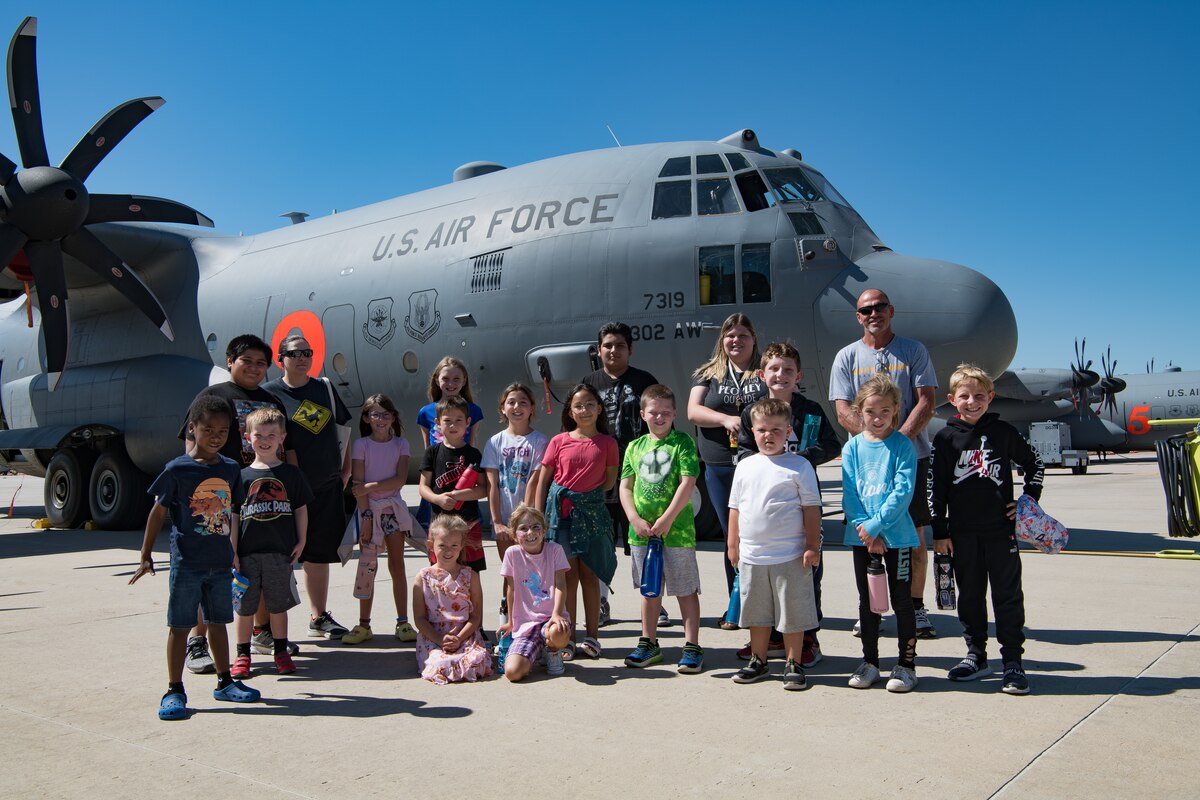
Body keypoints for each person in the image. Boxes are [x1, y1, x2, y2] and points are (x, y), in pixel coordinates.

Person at [130, 395, 260, 719]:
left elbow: (232, 513)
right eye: (208, 429)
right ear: (192, 428)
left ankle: (225, 682)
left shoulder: (231, 469)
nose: (216, 436)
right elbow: (157, 512)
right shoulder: (177, 469)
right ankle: (174, 689)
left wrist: (235, 551)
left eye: (223, 431)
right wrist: (145, 555)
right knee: (180, 625)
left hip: (219, 563)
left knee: (219, 623)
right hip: (187, 563)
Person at [829, 288, 939, 639]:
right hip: (864, 463)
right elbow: (843, 408)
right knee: (865, 534)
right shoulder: (846, 357)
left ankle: (916, 606)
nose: (873, 314)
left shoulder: (913, 351)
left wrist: (898, 439)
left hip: (910, 455)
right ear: (858, 317)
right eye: (865, 310)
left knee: (915, 535)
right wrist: (871, 440)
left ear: (891, 310)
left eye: (879, 307)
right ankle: (870, 607)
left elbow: (926, 400)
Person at [178, 334, 290, 673]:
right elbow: (190, 443)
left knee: (254, 567)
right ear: (230, 361)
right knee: (209, 570)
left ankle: (262, 631)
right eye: (247, 361)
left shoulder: (271, 401)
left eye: (261, 363)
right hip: (217, 496)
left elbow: (285, 450)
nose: (255, 368)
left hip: (260, 500)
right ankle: (197, 642)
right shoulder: (212, 396)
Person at [931, 364, 1045, 695]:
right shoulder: (945, 438)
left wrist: (1027, 501)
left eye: (979, 396)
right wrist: (941, 532)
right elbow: (935, 488)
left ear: (990, 397)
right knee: (970, 596)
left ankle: (1013, 662)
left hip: (1001, 532)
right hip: (962, 534)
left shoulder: (1004, 433)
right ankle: (976, 656)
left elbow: (1035, 463)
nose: (972, 401)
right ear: (952, 399)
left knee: (1008, 596)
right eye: (964, 396)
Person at [735, 342, 840, 668]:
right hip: (765, 507)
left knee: (806, 574)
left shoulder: (810, 410)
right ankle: (770, 639)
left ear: (799, 376)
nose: (781, 375)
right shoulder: (752, 412)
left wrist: (799, 460)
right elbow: (741, 451)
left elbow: (831, 444)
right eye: (775, 369)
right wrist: (768, 464)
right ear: (763, 375)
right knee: (765, 582)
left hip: (801, 503)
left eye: (788, 370)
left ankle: (808, 637)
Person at [262, 334, 352, 643]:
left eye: (307, 352)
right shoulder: (270, 394)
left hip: (326, 487)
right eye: (294, 353)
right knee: (278, 556)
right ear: (280, 359)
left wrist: (346, 471)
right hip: (286, 490)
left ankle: (318, 617)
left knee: (318, 555)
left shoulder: (324, 388)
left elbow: (343, 429)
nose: (302, 357)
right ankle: (269, 627)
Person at [727, 398, 822, 691]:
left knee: (792, 612)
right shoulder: (745, 466)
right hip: (753, 556)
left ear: (789, 431)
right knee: (758, 613)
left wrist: (811, 546)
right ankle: (759, 659)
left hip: (790, 555)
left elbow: (811, 509)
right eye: (762, 429)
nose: (768, 436)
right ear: (752, 431)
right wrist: (733, 545)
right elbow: (735, 508)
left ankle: (794, 663)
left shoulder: (799, 466)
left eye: (776, 430)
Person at [841, 375, 921, 693]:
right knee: (869, 602)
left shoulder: (902, 445)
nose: (877, 418)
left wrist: (876, 526)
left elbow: (903, 491)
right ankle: (870, 662)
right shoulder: (852, 448)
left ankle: (906, 665)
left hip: (896, 537)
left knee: (903, 601)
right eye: (871, 411)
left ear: (896, 410)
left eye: (885, 412)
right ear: (860, 411)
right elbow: (850, 493)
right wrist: (864, 528)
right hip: (861, 538)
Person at [686, 313, 766, 627]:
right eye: (730, 335)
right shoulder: (709, 373)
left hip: (758, 463)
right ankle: (737, 605)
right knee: (731, 534)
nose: (736, 341)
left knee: (756, 532)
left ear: (753, 338)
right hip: (720, 465)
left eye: (743, 335)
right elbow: (694, 411)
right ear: (722, 339)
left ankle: (760, 604)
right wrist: (725, 419)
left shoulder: (763, 371)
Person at [618, 384, 703, 673]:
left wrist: (667, 518)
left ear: (675, 413)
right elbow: (625, 487)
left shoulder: (683, 443)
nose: (660, 417)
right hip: (642, 535)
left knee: (685, 589)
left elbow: (687, 482)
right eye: (654, 412)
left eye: (666, 412)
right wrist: (633, 519)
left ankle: (691, 646)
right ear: (643, 414)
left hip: (676, 533)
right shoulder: (634, 447)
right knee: (649, 591)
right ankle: (649, 642)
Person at [581, 321, 660, 626]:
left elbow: (660, 426)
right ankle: (601, 602)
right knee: (600, 542)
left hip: (638, 477)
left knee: (642, 540)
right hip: (599, 477)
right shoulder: (588, 383)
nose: (614, 350)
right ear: (599, 350)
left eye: (620, 345)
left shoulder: (645, 381)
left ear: (631, 349)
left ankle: (651, 601)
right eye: (608, 345)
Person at [535, 383, 619, 660]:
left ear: (600, 408)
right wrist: (538, 515)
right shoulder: (559, 441)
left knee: (590, 575)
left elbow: (609, 482)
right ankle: (568, 637)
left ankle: (592, 636)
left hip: (592, 516)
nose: (584, 410)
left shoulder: (608, 443)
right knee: (567, 577)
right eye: (578, 405)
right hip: (561, 518)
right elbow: (543, 480)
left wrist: (586, 496)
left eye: (590, 404)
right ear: (570, 411)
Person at [230, 408, 311, 678]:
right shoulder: (240, 477)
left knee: (278, 606)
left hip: (281, 552)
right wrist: (232, 551)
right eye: (258, 435)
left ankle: (280, 651)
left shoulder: (292, 474)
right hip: (247, 553)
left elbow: (300, 509)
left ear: (282, 438)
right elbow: (234, 517)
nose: (265, 440)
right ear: (247, 438)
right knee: (245, 607)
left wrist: (302, 540)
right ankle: (242, 654)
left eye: (271, 435)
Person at [343, 394, 418, 645]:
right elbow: (357, 485)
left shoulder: (401, 444)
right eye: (375, 414)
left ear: (393, 417)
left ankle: (403, 621)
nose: (381, 419)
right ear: (366, 418)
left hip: (392, 510)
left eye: (386, 414)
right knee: (367, 567)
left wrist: (370, 486)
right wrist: (365, 516)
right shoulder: (361, 445)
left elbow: (399, 479)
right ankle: (364, 625)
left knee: (397, 566)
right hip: (369, 512)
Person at [482, 384, 549, 625]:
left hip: (527, 524)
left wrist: (525, 524)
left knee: (531, 574)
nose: (517, 407)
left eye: (523, 402)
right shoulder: (494, 442)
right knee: (510, 573)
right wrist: (498, 522)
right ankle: (507, 621)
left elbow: (534, 482)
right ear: (502, 408)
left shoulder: (539, 441)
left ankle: (534, 620)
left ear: (532, 408)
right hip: (504, 523)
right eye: (511, 402)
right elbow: (492, 484)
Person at [412, 514, 494, 684]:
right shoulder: (423, 577)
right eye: (442, 545)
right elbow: (419, 618)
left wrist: (459, 638)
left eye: (454, 545)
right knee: (440, 662)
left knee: (474, 660)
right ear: (431, 546)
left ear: (462, 546)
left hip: (465, 635)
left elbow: (475, 616)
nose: (448, 551)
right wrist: (439, 639)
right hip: (433, 636)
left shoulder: (470, 576)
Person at [497, 505, 571, 681]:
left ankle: (552, 652)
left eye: (536, 527)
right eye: (523, 528)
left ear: (544, 531)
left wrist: (556, 614)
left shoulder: (555, 550)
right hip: (525, 625)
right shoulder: (512, 553)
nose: (530, 532)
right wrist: (509, 623)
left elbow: (561, 584)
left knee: (557, 632)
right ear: (515, 536)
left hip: (550, 620)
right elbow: (511, 588)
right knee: (513, 673)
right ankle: (536, 652)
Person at [418, 396, 489, 572]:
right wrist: (437, 499)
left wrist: (458, 495)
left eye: (458, 420)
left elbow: (482, 489)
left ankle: (473, 601)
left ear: (468, 422)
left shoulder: (474, 454)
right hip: (440, 525)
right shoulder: (431, 453)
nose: (453, 425)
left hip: (468, 524)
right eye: (447, 420)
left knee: (471, 571)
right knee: (439, 571)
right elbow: (423, 487)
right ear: (437, 423)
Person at [415, 356, 485, 529]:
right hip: (438, 470)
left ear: (464, 381)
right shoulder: (425, 412)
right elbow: (427, 447)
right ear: (437, 380)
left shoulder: (474, 410)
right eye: (445, 378)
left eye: (456, 379)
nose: (451, 383)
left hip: (463, 470)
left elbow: (473, 441)